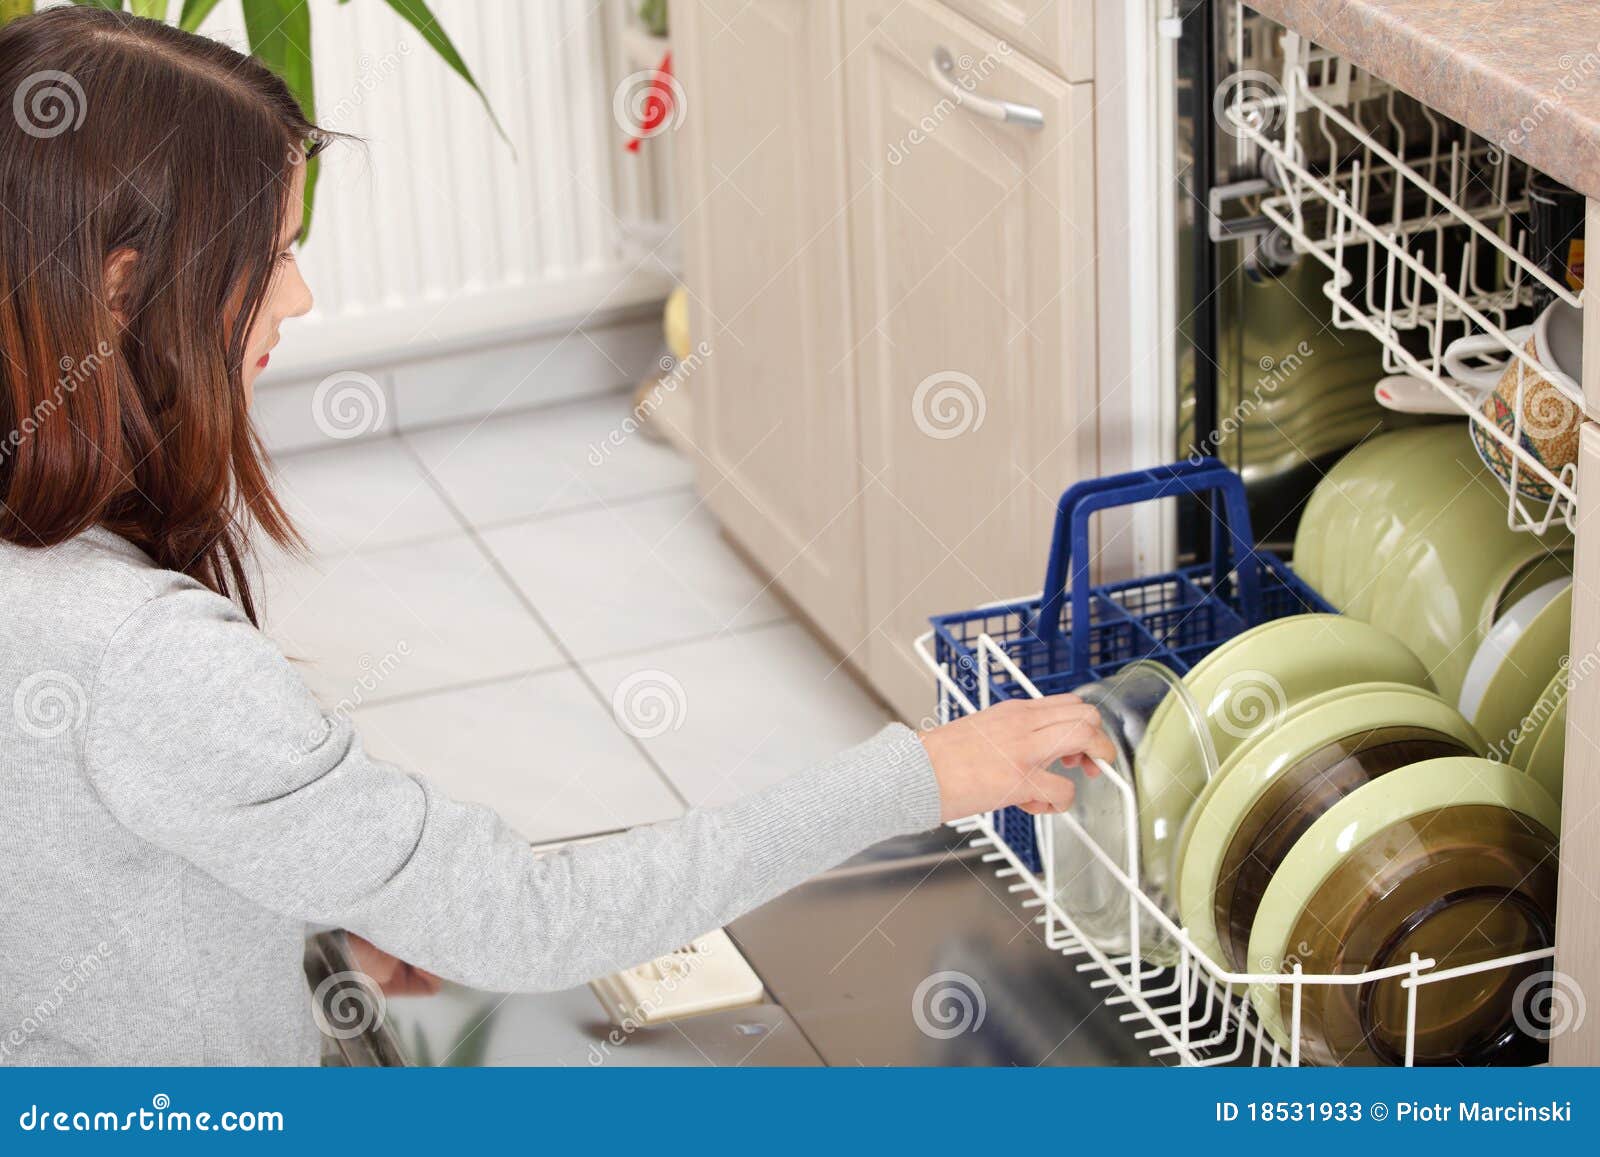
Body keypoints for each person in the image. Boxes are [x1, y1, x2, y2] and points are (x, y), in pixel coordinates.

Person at [0, 6, 1112, 1066]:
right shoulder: (151, 658)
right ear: (120, 290)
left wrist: (320, 888)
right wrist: (922, 771)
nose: (297, 296)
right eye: (273, 254)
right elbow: (534, 921)